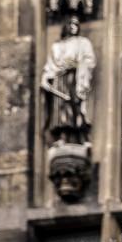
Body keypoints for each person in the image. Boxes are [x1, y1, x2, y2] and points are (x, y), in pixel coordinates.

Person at [41, 15, 96, 145]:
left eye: (76, 24)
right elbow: (51, 65)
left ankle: (83, 137)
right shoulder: (57, 45)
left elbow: (90, 60)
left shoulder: (83, 42)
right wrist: (46, 78)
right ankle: (63, 136)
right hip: (60, 79)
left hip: (76, 78)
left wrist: (78, 65)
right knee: (61, 107)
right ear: (65, 26)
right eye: (71, 24)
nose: (73, 27)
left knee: (77, 105)